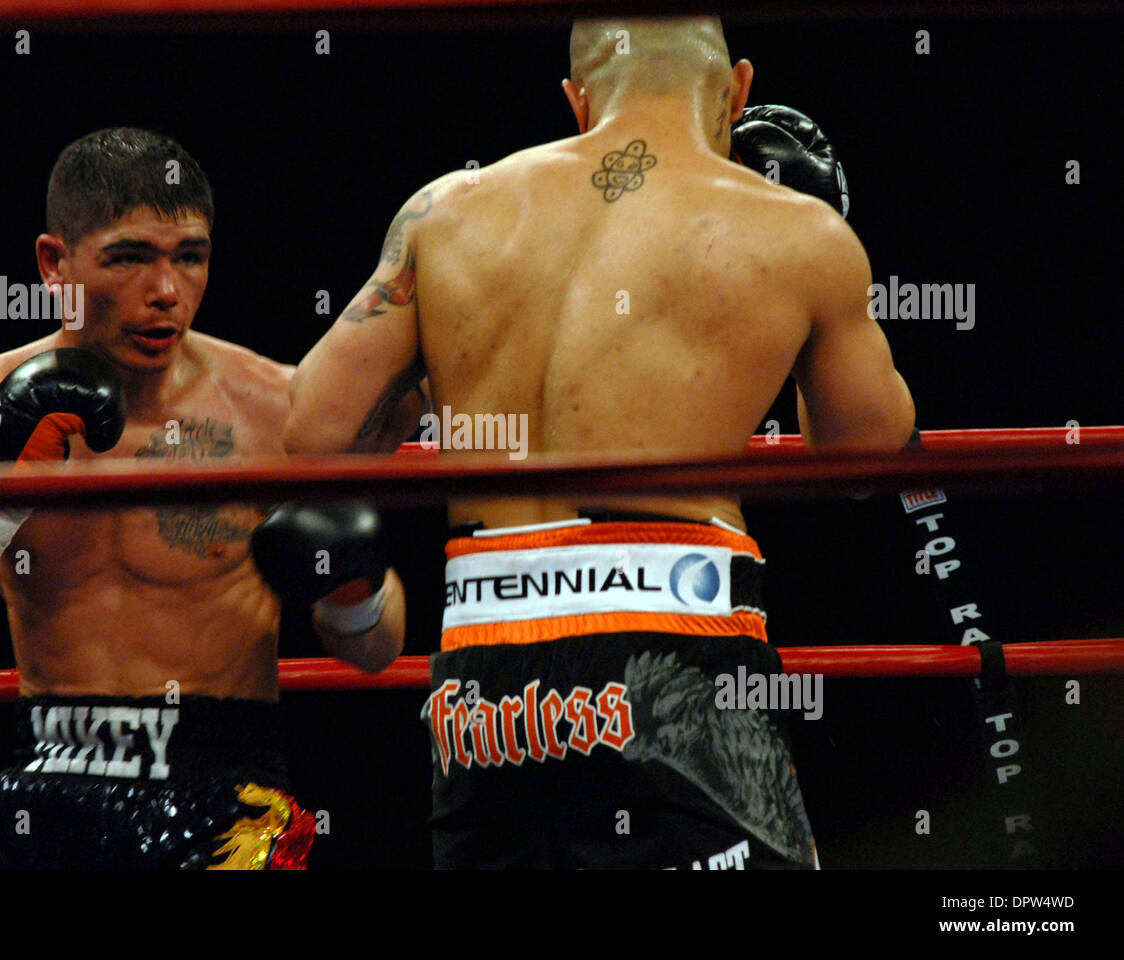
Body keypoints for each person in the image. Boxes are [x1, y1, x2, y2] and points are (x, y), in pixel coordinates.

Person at [283, 16, 915, 868]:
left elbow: (316, 433)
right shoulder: (797, 233)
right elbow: (866, 456)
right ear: (738, 88)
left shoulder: (445, 211)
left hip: (485, 674)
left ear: (578, 101)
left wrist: (444, 372)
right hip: (676, 649)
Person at [0, 127, 407, 869]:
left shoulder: (277, 411)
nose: (166, 291)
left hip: (229, 798)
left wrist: (350, 590)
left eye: (190, 258)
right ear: (54, 264)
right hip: (47, 782)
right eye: (130, 258)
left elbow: (377, 650)